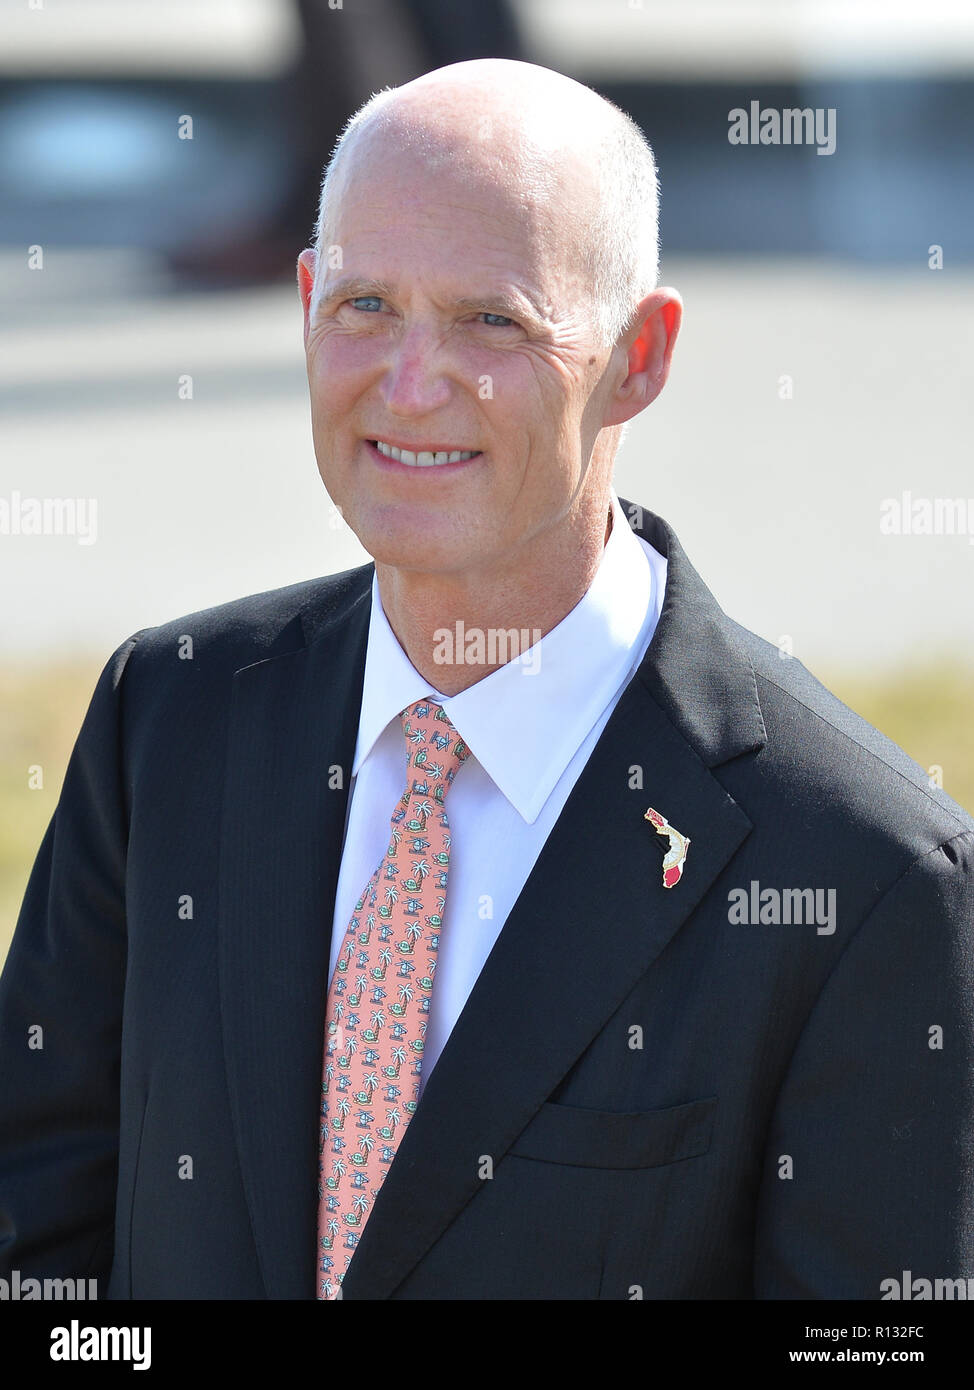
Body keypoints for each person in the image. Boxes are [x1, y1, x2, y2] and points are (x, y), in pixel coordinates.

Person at [1, 59, 972, 1302]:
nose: (409, 385)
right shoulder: (169, 717)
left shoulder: (860, 875)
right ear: (302, 306)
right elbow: (40, 1243)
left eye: (491, 321)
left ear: (639, 356)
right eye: (362, 306)